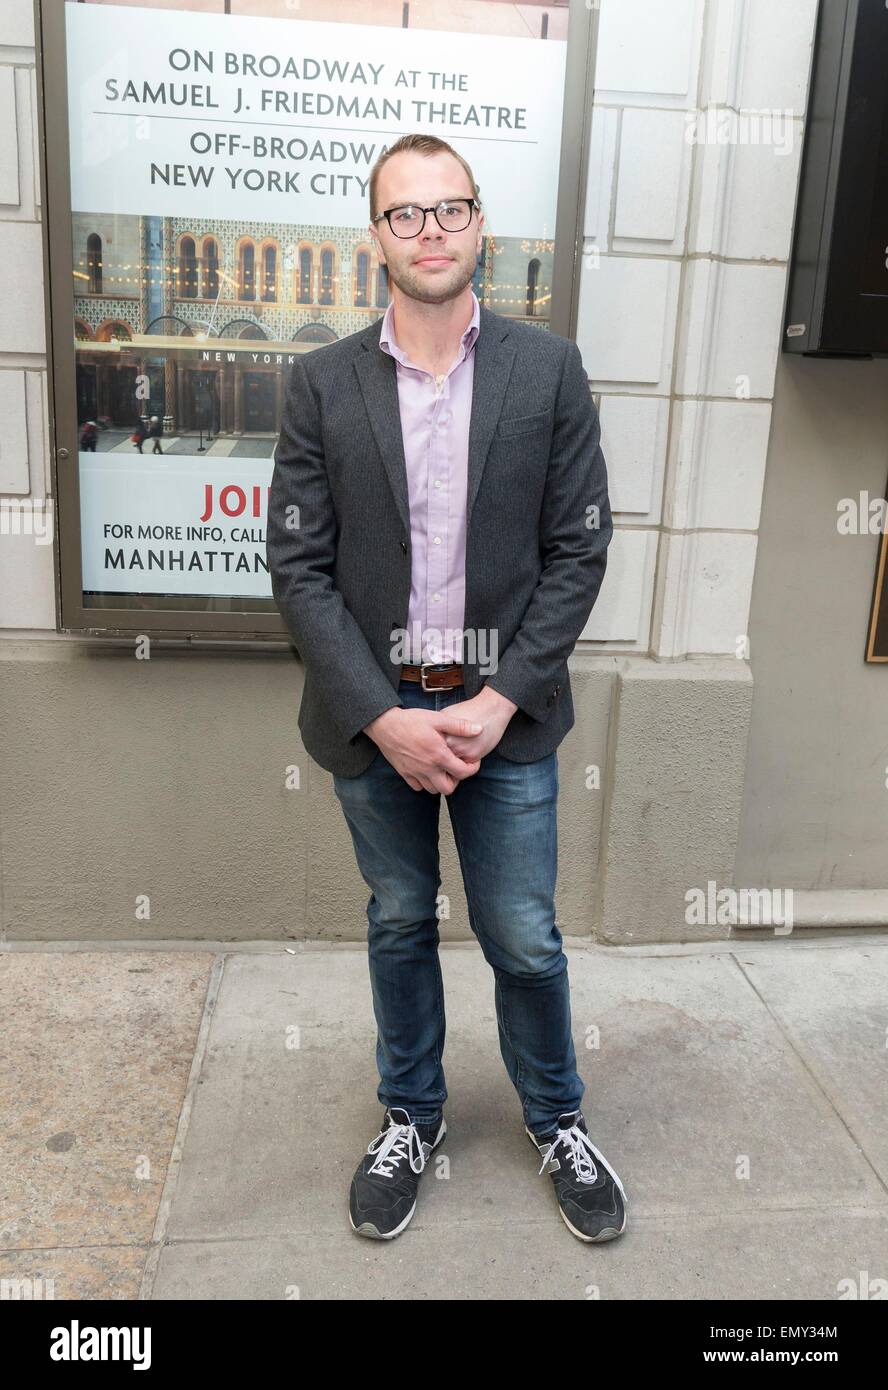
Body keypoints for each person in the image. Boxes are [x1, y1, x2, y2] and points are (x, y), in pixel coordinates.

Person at [267, 133, 623, 1245]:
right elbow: (297, 564)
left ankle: (556, 1116)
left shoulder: (547, 370)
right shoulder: (319, 383)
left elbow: (580, 547)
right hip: (375, 720)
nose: (430, 231)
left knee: (523, 934)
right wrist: (384, 715)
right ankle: (411, 1115)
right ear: (375, 237)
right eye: (406, 213)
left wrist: (502, 697)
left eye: (450, 209)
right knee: (397, 922)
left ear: (481, 227)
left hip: (501, 717)